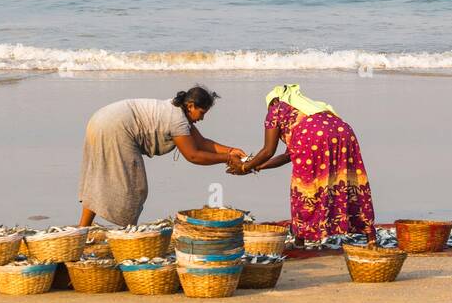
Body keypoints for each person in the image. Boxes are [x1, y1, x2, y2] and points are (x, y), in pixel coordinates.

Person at [229, 85, 376, 247]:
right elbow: (287, 156)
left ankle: (300, 240)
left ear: (273, 102)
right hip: (344, 132)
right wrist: (257, 166)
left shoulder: (275, 109)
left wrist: (245, 167)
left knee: (304, 188)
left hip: (313, 138)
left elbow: (267, 151)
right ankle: (371, 237)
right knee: (350, 182)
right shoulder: (311, 108)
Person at [77, 87, 245, 227]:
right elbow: (193, 155)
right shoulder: (177, 120)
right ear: (191, 106)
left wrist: (231, 151)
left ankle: (82, 229)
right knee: (135, 187)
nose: (202, 118)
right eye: (201, 113)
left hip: (100, 119)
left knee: (99, 178)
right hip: (116, 127)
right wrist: (227, 159)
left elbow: (200, 142)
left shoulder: (176, 109)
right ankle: (127, 236)